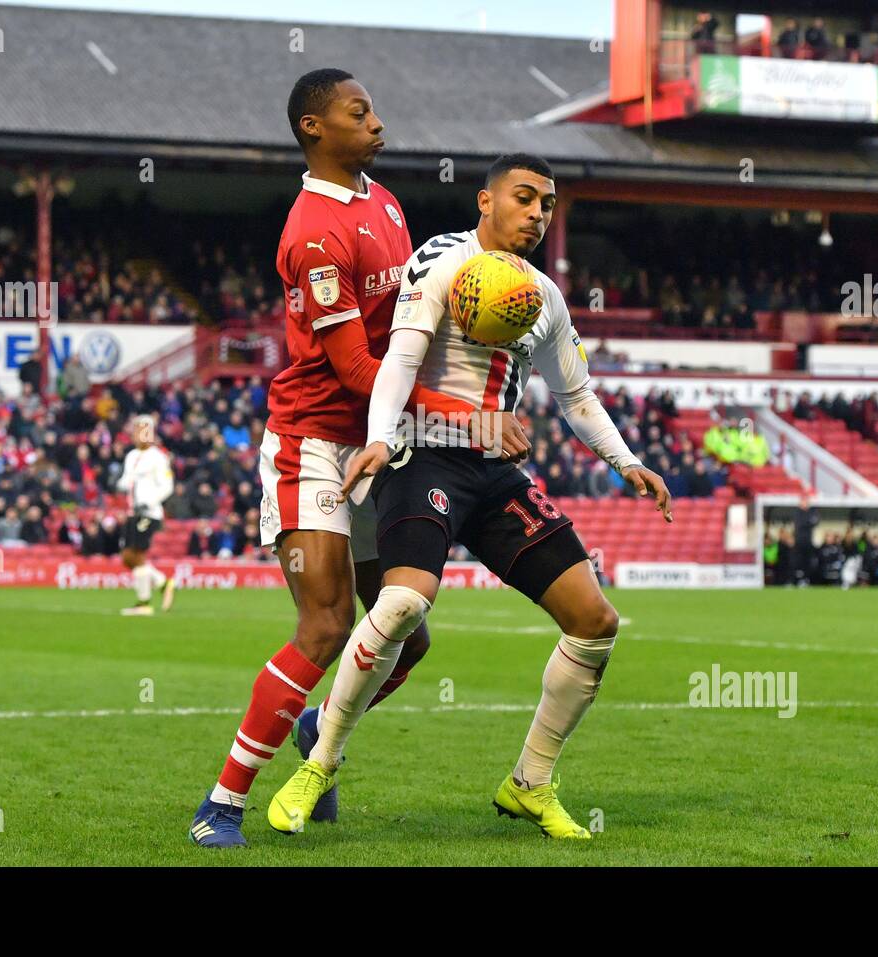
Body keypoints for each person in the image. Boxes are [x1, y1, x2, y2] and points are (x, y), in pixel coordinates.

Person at [268, 152, 671, 840]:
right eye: (524, 198)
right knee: (402, 602)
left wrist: (626, 459)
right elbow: (398, 355)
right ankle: (320, 761)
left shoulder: (543, 295)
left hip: (492, 472)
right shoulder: (441, 259)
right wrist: (379, 436)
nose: (537, 215)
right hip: (423, 455)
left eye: (546, 205)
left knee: (595, 620)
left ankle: (530, 782)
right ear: (485, 202)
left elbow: (575, 394)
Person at [189, 69, 526, 850]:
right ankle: (222, 802)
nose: (376, 121)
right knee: (327, 623)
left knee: (408, 639)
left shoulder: (386, 203)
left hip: (382, 443)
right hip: (314, 440)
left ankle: (320, 730)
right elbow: (354, 370)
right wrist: (467, 412)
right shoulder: (313, 232)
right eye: (357, 111)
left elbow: (406, 339)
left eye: (372, 108)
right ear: (314, 129)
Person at [116, 415, 176, 616]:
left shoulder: (158, 457)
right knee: (128, 557)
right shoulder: (131, 456)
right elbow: (127, 480)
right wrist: (118, 484)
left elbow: (167, 486)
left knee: (135, 554)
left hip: (149, 512)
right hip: (133, 512)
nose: (136, 434)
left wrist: (150, 501)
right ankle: (162, 583)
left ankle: (144, 602)